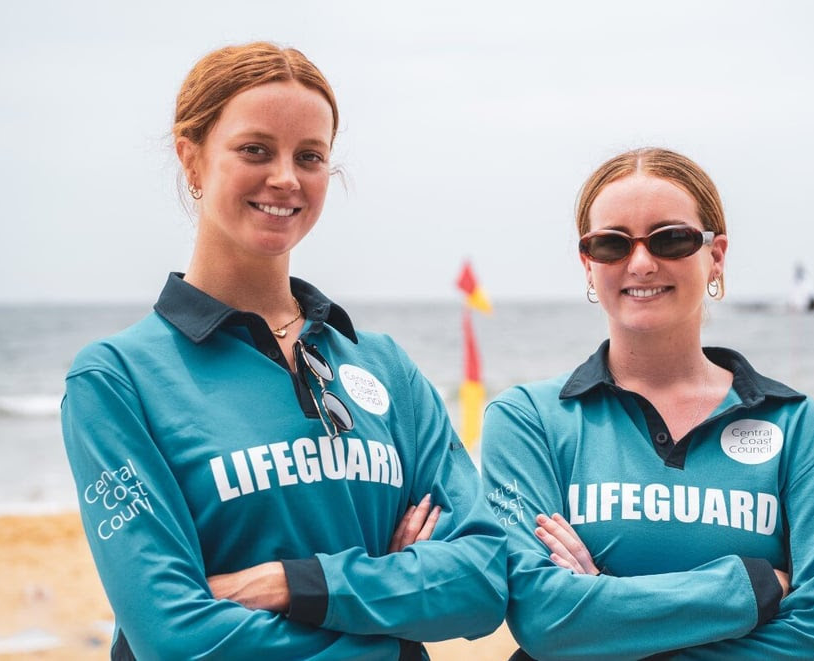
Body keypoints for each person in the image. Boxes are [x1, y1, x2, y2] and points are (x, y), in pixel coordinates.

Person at [61, 42, 507, 660]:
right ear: (191, 159)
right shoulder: (116, 380)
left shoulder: (383, 367)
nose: (286, 179)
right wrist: (394, 626)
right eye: (255, 150)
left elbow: (481, 583)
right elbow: (173, 638)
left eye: (310, 156)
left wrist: (293, 584)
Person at [480, 148, 814, 659]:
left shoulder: (798, 428)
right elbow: (544, 616)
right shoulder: (528, 420)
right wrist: (751, 588)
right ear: (588, 264)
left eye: (671, 238)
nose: (641, 263)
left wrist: (604, 614)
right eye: (612, 244)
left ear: (716, 256)